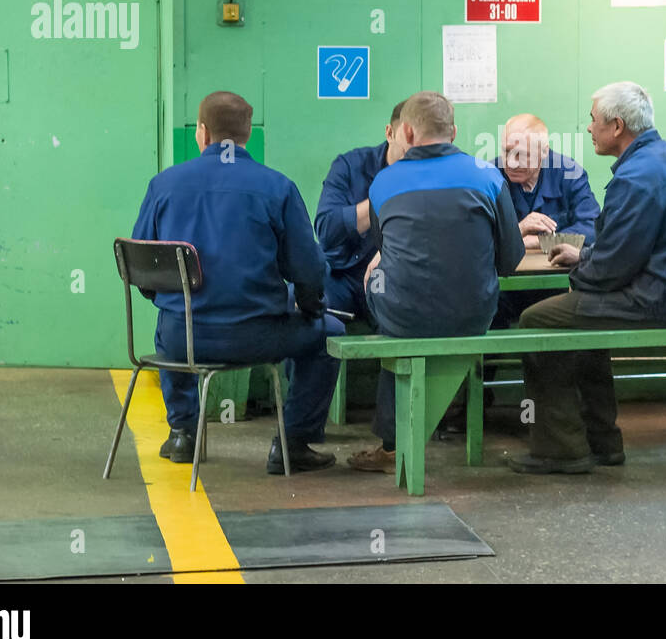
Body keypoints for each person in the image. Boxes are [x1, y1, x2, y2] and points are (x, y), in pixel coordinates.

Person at [511, 81, 666, 474]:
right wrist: (586, 257)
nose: (588, 128)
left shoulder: (636, 176)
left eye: (593, 121)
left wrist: (581, 272)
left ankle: (561, 450)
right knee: (582, 318)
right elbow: (626, 251)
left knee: (537, 321)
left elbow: (613, 267)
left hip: (662, 301)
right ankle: (602, 442)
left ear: (617, 126)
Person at [131, 91, 340, 474]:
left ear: (203, 132)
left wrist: (173, 302)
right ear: (247, 135)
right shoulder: (277, 187)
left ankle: (183, 433)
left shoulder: (164, 185)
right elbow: (309, 270)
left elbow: (144, 274)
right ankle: (292, 443)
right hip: (258, 337)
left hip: (184, 340)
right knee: (330, 333)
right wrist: (310, 307)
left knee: (169, 321)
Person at [348, 91, 524, 473]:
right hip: (474, 318)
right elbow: (511, 260)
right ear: (454, 131)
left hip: (402, 318)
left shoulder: (383, 182)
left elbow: (386, 249)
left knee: (378, 281)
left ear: (406, 132)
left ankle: (392, 444)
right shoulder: (488, 176)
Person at [314, 101, 408, 318]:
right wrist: (389, 191)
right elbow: (327, 231)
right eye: (407, 148)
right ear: (390, 133)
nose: (414, 159)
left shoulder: (433, 176)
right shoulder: (350, 165)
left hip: (394, 280)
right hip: (341, 275)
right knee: (297, 304)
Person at [498, 113, 600, 249]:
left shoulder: (569, 173)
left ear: (544, 152)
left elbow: (592, 228)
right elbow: (475, 236)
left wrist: (539, 241)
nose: (511, 162)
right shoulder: (490, 176)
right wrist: (519, 230)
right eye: (506, 151)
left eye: (521, 154)